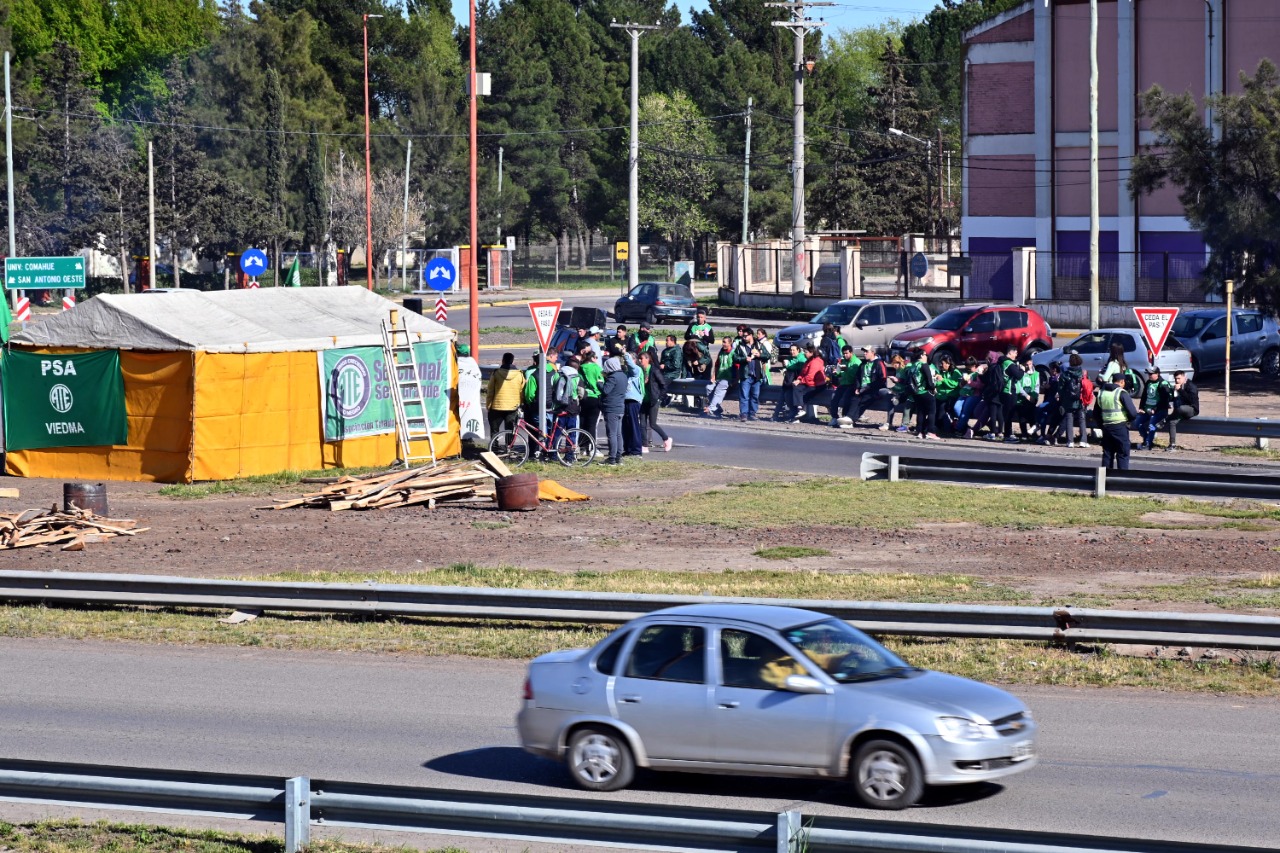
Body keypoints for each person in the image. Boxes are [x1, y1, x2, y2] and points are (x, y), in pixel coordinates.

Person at [1096, 372, 1139, 470]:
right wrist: (1129, 421)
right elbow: (1133, 413)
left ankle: (1105, 477)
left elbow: (1096, 413)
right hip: (1120, 426)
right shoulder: (1121, 393)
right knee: (1122, 453)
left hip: (1106, 427)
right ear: (1122, 382)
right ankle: (1122, 477)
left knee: (1107, 453)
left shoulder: (1101, 393)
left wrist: (1102, 425)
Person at [638, 350, 673, 451]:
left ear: (647, 359)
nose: (640, 361)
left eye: (642, 359)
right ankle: (644, 445)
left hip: (653, 400)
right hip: (643, 400)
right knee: (642, 424)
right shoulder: (640, 370)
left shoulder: (654, 370)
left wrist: (659, 398)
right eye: (639, 359)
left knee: (652, 424)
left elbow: (663, 385)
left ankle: (666, 439)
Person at [485, 352, 525, 437]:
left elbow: (490, 391)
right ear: (512, 361)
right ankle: (509, 445)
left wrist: (488, 405)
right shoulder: (519, 374)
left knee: (494, 431)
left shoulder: (496, 373)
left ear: (502, 361)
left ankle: (494, 444)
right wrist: (520, 404)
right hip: (512, 407)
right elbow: (522, 392)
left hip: (496, 407)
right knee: (510, 431)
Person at [1134, 365, 1173, 450]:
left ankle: (1148, 444)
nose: (1149, 375)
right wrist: (1141, 407)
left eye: (1151, 374)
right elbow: (1144, 396)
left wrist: (1155, 409)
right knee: (1137, 423)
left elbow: (1165, 399)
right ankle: (1146, 439)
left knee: (1151, 424)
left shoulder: (1163, 383)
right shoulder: (1148, 382)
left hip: (1159, 411)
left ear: (1157, 374)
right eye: (1149, 374)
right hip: (1147, 410)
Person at [600, 351, 628, 464]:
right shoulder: (623, 376)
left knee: (611, 433)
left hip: (611, 408)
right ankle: (618, 456)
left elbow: (606, 390)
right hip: (620, 407)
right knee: (618, 433)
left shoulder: (613, 378)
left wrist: (599, 384)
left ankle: (612, 457)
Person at [904, 348, 939, 439]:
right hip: (925, 391)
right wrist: (933, 388)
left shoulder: (912, 366)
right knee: (932, 412)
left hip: (916, 392)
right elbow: (929, 380)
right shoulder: (924, 365)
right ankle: (931, 432)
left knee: (920, 412)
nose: (926, 356)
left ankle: (920, 432)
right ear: (921, 356)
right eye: (925, 354)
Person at [733, 329, 767, 421]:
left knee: (755, 396)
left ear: (751, 335)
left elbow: (767, 355)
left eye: (746, 336)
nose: (744, 337)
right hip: (746, 375)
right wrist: (744, 359)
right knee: (744, 396)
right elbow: (735, 357)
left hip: (757, 375)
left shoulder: (759, 345)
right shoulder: (740, 346)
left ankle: (752, 413)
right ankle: (744, 414)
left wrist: (759, 355)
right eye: (743, 336)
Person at [1055, 352, 1088, 447]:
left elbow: (1060, 388)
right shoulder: (1083, 373)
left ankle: (1070, 441)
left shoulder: (1065, 374)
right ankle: (1083, 440)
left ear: (1070, 362)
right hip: (1080, 399)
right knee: (1082, 419)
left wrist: (1062, 398)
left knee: (1069, 419)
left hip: (1068, 400)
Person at [848, 345, 887, 424]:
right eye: (864, 352)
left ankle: (852, 420)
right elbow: (857, 377)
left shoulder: (879, 363)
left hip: (874, 389)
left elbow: (883, 379)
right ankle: (848, 417)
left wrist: (869, 387)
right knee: (854, 397)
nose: (864, 353)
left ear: (872, 353)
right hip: (862, 388)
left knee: (865, 399)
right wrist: (858, 387)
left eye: (866, 352)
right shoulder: (863, 364)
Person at [792, 342, 827, 423]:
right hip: (809, 383)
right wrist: (799, 379)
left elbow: (810, 377)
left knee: (800, 391)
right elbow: (803, 373)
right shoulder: (808, 361)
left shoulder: (816, 362)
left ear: (811, 353)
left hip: (816, 385)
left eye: (806, 352)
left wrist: (800, 381)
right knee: (795, 387)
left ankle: (801, 409)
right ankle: (801, 411)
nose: (804, 353)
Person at [1165, 369, 1199, 452]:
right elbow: (1174, 399)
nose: (1177, 381)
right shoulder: (1176, 387)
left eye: (1179, 378)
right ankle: (1172, 444)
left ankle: (1166, 419)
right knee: (1172, 422)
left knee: (1180, 409)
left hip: (1191, 409)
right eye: (1175, 379)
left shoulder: (1191, 386)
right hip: (1179, 412)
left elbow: (1191, 400)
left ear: (1184, 377)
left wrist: (1180, 390)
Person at [827, 345, 861, 424]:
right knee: (834, 397)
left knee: (847, 398)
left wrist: (847, 370)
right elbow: (840, 373)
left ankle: (845, 417)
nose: (845, 355)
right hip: (843, 384)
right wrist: (836, 373)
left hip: (852, 384)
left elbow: (856, 376)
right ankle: (834, 417)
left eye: (846, 353)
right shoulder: (843, 361)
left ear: (851, 353)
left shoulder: (857, 362)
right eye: (844, 354)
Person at [578, 349, 603, 450]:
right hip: (595, 396)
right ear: (592, 358)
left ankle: (582, 446)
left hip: (584, 396)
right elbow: (601, 382)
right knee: (592, 424)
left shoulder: (581, 368)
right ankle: (592, 447)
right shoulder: (596, 368)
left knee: (583, 422)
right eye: (596, 357)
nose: (596, 359)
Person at [705, 336, 735, 418]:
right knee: (709, 388)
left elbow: (737, 367)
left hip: (728, 378)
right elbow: (717, 365)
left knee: (719, 389)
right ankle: (717, 408)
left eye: (725, 342)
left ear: (730, 343)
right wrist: (714, 376)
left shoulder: (734, 352)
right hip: (719, 376)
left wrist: (736, 379)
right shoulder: (721, 351)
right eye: (722, 342)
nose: (723, 344)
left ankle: (711, 409)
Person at [933, 353, 964, 433]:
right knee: (933, 409)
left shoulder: (955, 372)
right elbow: (939, 385)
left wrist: (943, 380)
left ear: (948, 363)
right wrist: (936, 381)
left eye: (942, 363)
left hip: (951, 396)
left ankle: (943, 428)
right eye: (940, 363)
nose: (941, 365)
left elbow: (954, 384)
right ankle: (933, 427)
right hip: (941, 396)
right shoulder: (942, 372)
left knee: (942, 410)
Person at [622, 349, 644, 456]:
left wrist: (625, 354)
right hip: (625, 400)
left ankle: (636, 450)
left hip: (633, 401)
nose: (626, 362)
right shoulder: (626, 372)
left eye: (629, 359)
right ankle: (628, 449)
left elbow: (631, 365)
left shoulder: (637, 370)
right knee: (625, 426)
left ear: (634, 360)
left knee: (633, 425)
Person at [682, 332, 711, 410]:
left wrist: (699, 362)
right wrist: (683, 379)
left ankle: (705, 401)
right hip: (694, 363)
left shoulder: (700, 346)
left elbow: (708, 358)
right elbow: (684, 365)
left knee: (703, 381)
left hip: (704, 363)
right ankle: (697, 400)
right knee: (694, 380)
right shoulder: (685, 348)